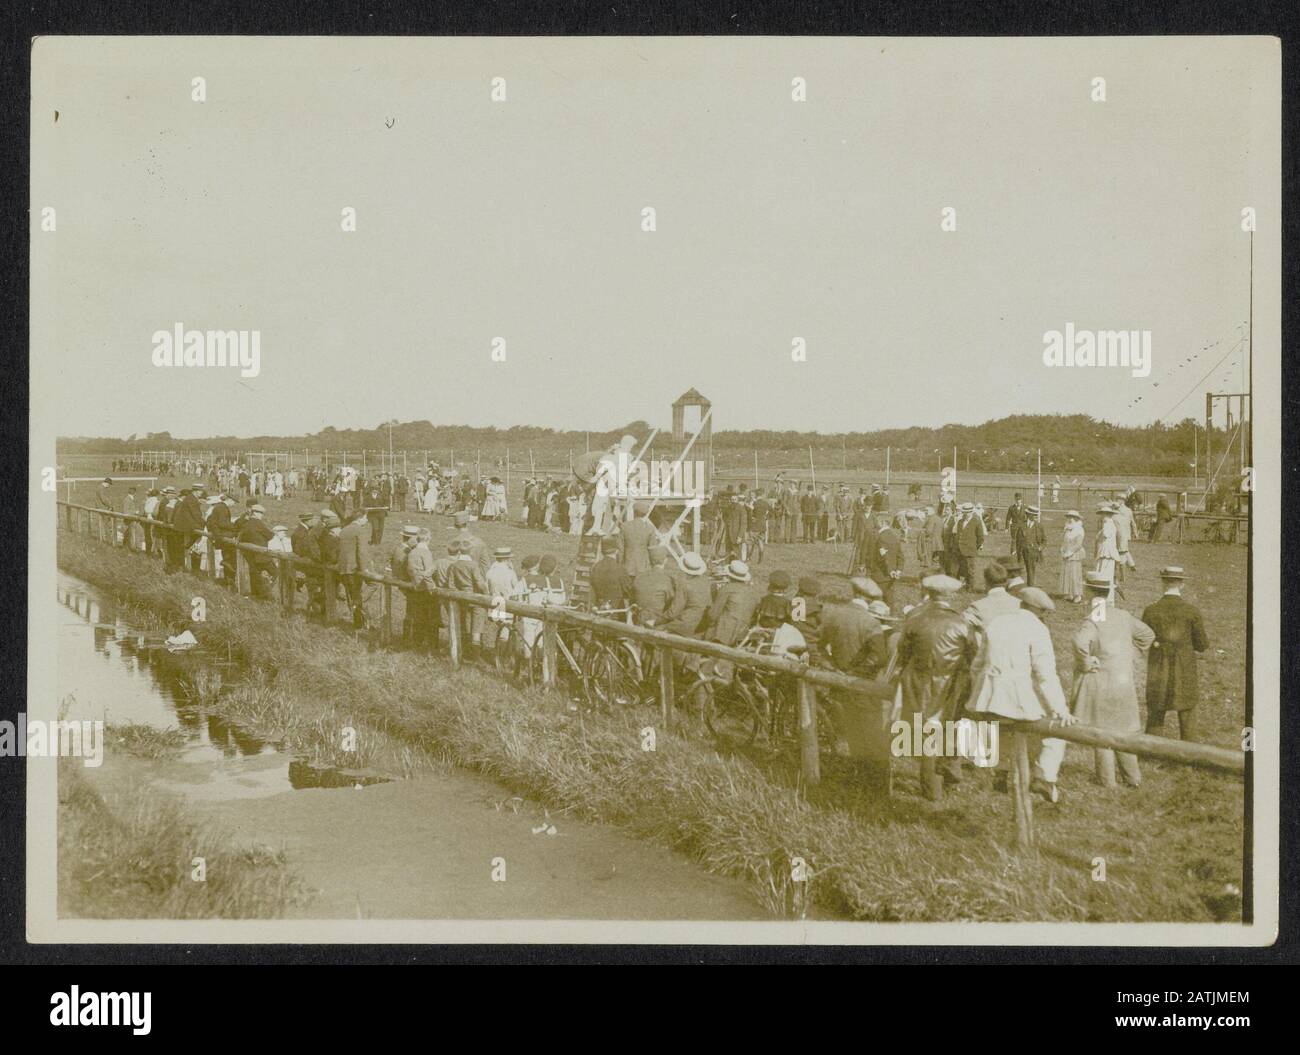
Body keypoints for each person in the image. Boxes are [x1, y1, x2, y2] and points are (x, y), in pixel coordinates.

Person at [966, 585, 1076, 802]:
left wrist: (978, 692)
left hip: (986, 697)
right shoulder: (1037, 629)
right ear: (1040, 611)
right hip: (1015, 695)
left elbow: (976, 665)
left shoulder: (997, 622)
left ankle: (1001, 770)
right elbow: (1046, 675)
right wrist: (1061, 709)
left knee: (1005, 727)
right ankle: (1045, 777)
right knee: (1057, 731)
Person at [1069, 572, 1156, 788]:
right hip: (1123, 680)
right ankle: (1133, 778)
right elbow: (1147, 635)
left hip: (1102, 681)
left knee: (1102, 731)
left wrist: (1087, 663)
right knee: (1123, 730)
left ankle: (1107, 782)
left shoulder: (1094, 616)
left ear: (1089, 591)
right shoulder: (1122, 615)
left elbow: (1080, 643)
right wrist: (1131, 655)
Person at [895, 574, 977, 800]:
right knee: (946, 728)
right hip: (950, 684)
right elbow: (973, 655)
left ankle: (934, 785)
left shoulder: (915, 619)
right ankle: (938, 786)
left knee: (926, 733)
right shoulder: (961, 623)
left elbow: (903, 652)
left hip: (919, 681)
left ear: (929, 594)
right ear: (950, 595)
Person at [1141, 566, 1209, 742]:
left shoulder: (1151, 611)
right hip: (1184, 667)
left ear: (1162, 583)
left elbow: (1143, 640)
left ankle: (1151, 750)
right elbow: (1202, 645)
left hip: (1158, 667)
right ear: (1182, 584)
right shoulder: (1191, 611)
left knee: (1156, 707)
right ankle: (1190, 753)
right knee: (1187, 708)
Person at [819, 577, 888, 677]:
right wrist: (856, 672)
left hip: (833, 675)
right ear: (870, 600)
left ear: (853, 593)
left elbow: (818, 645)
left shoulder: (832, 614)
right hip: (858, 681)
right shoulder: (872, 622)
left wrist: (831, 666)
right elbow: (880, 658)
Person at [702, 560, 760, 648]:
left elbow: (713, 615)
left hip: (724, 634)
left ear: (729, 575)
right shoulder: (753, 592)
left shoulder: (727, 589)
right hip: (744, 633)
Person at [662, 552, 711, 637]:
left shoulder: (685, 585)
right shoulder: (705, 581)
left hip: (683, 624)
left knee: (655, 630)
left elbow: (673, 613)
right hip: (700, 622)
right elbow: (709, 604)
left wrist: (656, 620)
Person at [963, 562, 1020, 630]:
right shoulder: (1020, 604)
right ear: (1006, 581)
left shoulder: (977, 607)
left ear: (986, 581)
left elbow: (960, 628)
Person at [337, 510, 368, 628]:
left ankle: (357, 617)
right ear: (359, 518)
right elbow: (362, 552)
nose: (367, 520)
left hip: (343, 568)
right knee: (357, 595)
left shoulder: (344, 529)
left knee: (351, 594)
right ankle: (358, 622)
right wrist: (364, 569)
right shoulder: (359, 530)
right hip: (354, 568)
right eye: (366, 517)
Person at [632, 545, 677, 626]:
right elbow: (671, 601)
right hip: (656, 623)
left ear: (649, 560)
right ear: (665, 560)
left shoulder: (639, 577)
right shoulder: (667, 580)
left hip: (639, 620)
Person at [869, 513, 905, 607]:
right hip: (892, 576)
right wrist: (898, 570)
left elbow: (884, 557)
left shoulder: (880, 537)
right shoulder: (895, 536)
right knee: (889, 599)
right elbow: (901, 557)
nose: (875, 524)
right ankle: (889, 619)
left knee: (877, 601)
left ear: (882, 523)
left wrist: (890, 570)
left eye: (876, 521)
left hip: (880, 574)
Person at [617, 501, 658, 583]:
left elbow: (620, 549)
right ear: (646, 514)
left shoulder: (624, 526)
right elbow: (653, 550)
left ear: (634, 512)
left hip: (628, 566)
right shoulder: (649, 528)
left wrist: (619, 566)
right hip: (644, 567)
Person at [588, 536, 633, 610]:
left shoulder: (594, 567)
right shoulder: (620, 569)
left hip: (598, 609)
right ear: (616, 551)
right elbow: (628, 591)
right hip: (615, 611)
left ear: (602, 552)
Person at [955, 502, 985, 586]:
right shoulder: (960, 521)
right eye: (964, 512)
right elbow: (958, 534)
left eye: (967, 512)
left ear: (971, 512)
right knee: (962, 568)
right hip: (960, 549)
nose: (965, 514)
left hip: (970, 549)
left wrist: (975, 547)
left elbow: (980, 537)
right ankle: (963, 585)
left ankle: (971, 587)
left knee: (970, 569)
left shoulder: (976, 521)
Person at [1015, 506, 1047, 587]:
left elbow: (1044, 540)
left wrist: (1040, 548)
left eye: (1037, 515)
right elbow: (1017, 539)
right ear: (1029, 515)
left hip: (1033, 552)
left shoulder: (1039, 526)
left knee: (1031, 571)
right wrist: (1017, 552)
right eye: (1034, 515)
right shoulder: (1022, 525)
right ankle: (1017, 589)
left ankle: (1030, 588)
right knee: (1019, 571)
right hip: (1022, 552)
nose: (1036, 517)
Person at [1093, 504, 1120, 598]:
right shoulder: (1106, 524)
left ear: (1108, 515)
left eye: (1104, 514)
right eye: (1102, 514)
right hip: (1103, 551)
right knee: (1100, 572)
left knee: (1105, 574)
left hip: (1108, 552)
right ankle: (1100, 595)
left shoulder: (1108, 524)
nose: (1102, 516)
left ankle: (1107, 597)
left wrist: (1104, 524)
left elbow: (1105, 534)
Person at [1059, 510, 1085, 604]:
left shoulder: (1079, 529)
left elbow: (1078, 544)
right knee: (1067, 573)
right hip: (1066, 553)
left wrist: (1070, 552)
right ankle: (1069, 593)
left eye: (1072, 517)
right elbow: (1064, 541)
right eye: (1069, 517)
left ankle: (1077, 595)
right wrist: (1062, 549)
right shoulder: (1067, 528)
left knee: (1075, 574)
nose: (1070, 519)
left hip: (1075, 554)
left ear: (1076, 519)